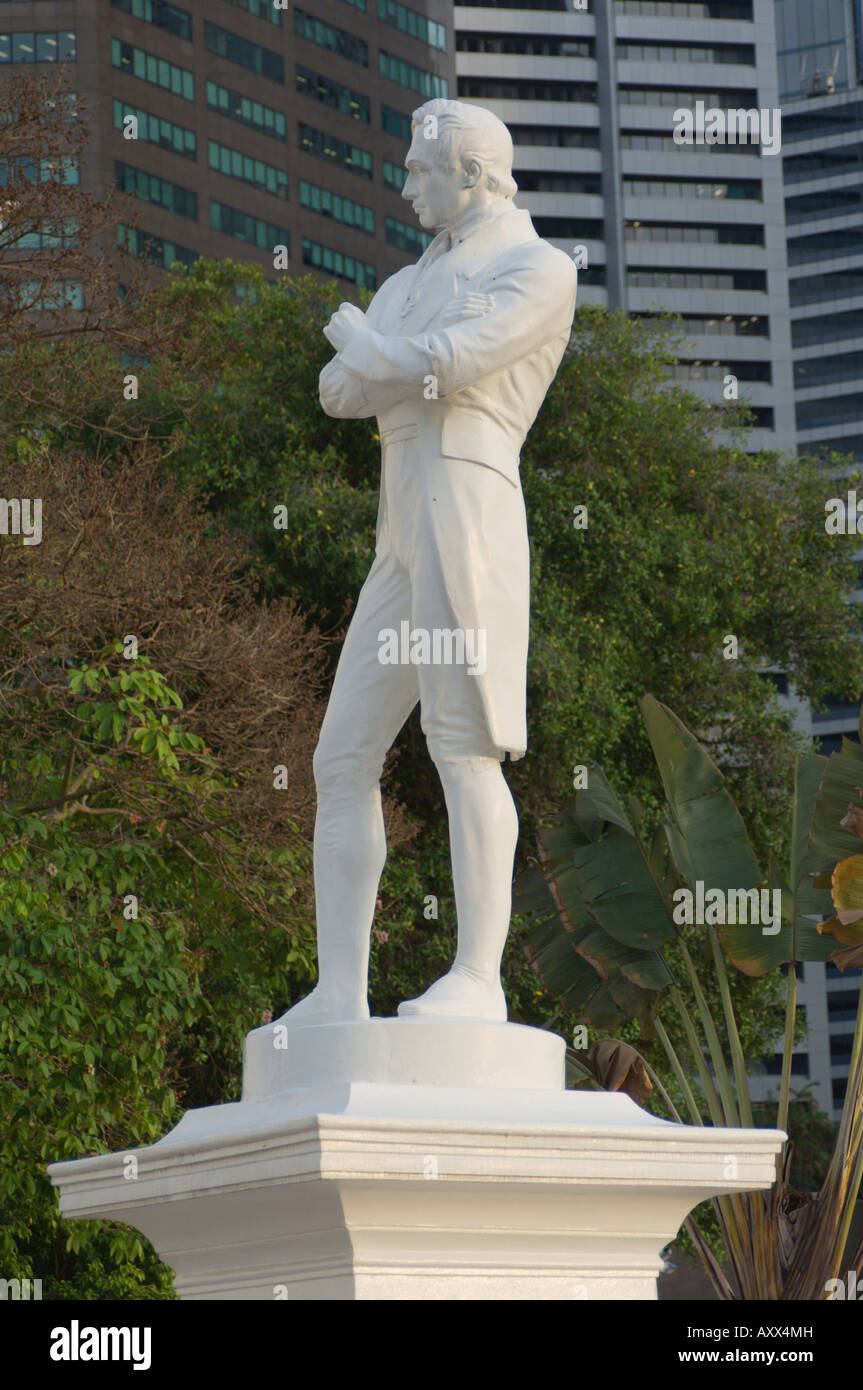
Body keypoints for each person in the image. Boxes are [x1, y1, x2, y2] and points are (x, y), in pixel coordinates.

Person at [279, 98, 578, 1027]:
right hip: (400, 525)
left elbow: (452, 358)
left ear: (474, 174)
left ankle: (477, 979)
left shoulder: (537, 267)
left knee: (464, 744)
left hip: (467, 509)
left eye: (420, 171)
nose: (406, 187)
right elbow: (339, 389)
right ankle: (339, 992)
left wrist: (382, 356)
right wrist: (385, 359)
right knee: (340, 757)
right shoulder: (408, 280)